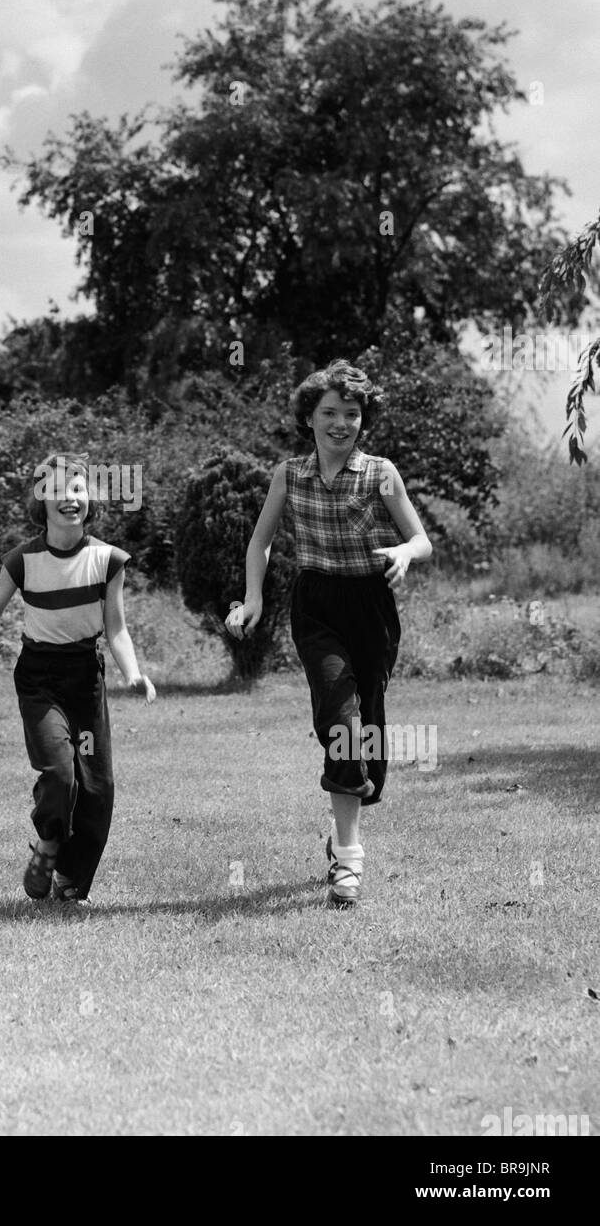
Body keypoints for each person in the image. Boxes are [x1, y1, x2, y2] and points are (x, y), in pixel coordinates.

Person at [225, 360, 432, 906]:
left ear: (364, 419)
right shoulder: (288, 475)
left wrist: (406, 554)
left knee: (370, 740)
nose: (341, 423)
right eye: (329, 413)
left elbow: (422, 540)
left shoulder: (381, 473)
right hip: (316, 605)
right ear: (309, 418)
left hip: (372, 607)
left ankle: (343, 832)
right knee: (339, 718)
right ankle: (350, 863)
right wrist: (254, 597)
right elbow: (260, 542)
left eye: (352, 413)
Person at [0, 452, 156, 909]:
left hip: (84, 681)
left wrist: (133, 674)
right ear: (41, 501)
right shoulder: (22, 559)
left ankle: (71, 882)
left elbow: (116, 628)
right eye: (56, 491)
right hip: (40, 679)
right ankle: (48, 843)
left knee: (96, 786)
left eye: (76, 490)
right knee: (60, 773)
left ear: (89, 499)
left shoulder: (108, 559)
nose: (67, 499)